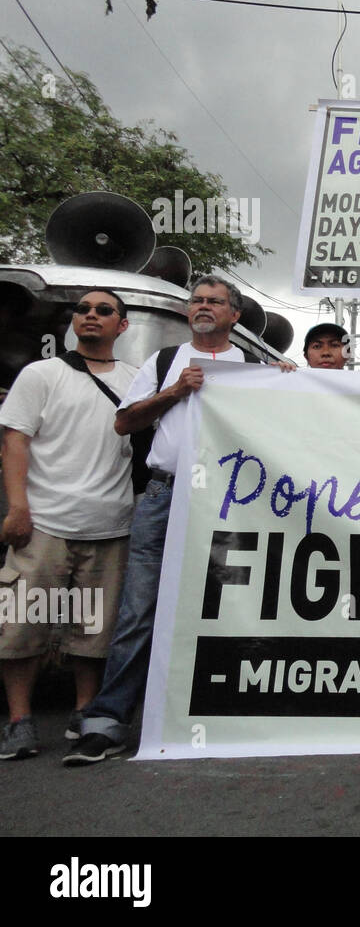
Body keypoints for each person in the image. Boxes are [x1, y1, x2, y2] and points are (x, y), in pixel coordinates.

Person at [64, 276, 294, 766]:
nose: (203, 307)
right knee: (140, 606)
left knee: (231, 603)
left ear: (234, 315)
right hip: (166, 495)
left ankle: (233, 708)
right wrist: (174, 392)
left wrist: (290, 381)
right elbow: (125, 422)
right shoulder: (165, 362)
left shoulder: (254, 368)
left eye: (215, 302)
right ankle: (108, 720)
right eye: (197, 301)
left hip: (231, 501)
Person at [0, 289, 138, 760]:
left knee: (93, 633)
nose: (91, 316)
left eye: (104, 310)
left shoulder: (137, 381)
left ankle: (85, 711)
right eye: (83, 309)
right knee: (22, 627)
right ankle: (19, 720)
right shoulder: (41, 374)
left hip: (110, 525)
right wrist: (18, 507)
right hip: (45, 523)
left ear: (123, 325)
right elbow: (15, 441)